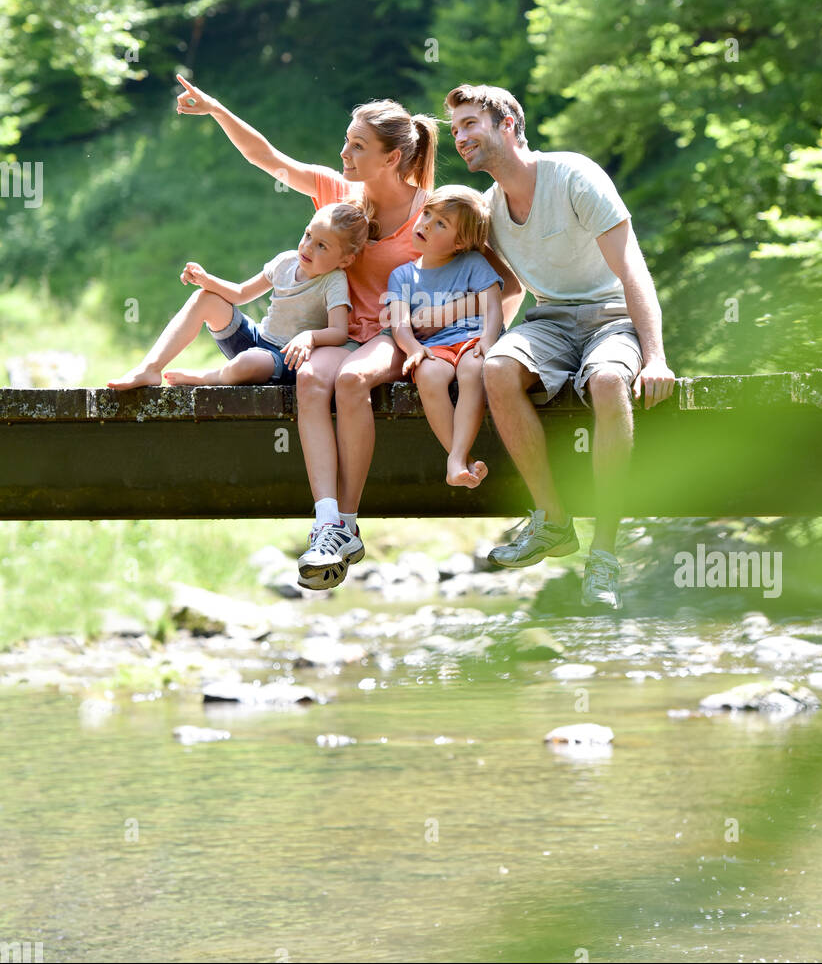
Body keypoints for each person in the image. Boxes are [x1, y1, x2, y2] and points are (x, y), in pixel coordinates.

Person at [172, 75, 517, 590]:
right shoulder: (340, 195)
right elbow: (271, 160)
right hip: (339, 335)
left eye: (358, 145)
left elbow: (503, 286)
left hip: (394, 337)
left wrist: (474, 339)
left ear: (392, 158)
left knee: (353, 382)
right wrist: (219, 109)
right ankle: (327, 523)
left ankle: (349, 523)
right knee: (311, 379)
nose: (344, 152)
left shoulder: (434, 209)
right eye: (347, 140)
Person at [446, 82, 676, 610]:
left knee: (609, 380)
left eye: (470, 125)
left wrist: (656, 355)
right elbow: (506, 288)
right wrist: (484, 342)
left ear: (507, 125)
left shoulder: (574, 175)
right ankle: (552, 521)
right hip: (548, 319)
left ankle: (605, 553)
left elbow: (631, 270)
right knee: (498, 368)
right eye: (455, 129)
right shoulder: (489, 208)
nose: (460, 138)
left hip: (610, 318)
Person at [107, 202, 367, 389]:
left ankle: (211, 377)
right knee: (205, 299)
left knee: (249, 362)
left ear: (345, 260)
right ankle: (150, 368)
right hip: (257, 339)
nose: (308, 247)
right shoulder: (286, 261)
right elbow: (242, 294)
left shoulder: (333, 280)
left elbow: (339, 332)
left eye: (322, 246)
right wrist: (208, 281)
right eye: (308, 235)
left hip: (284, 359)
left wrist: (309, 337)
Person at [387, 186, 504, 489]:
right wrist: (412, 348)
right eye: (427, 214)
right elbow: (399, 323)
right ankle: (459, 460)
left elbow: (492, 303)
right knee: (428, 375)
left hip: (472, 338)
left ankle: (456, 459)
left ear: (461, 241)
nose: (425, 224)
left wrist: (489, 340)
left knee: (473, 370)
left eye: (441, 223)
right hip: (434, 347)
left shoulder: (472, 264)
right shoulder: (402, 276)